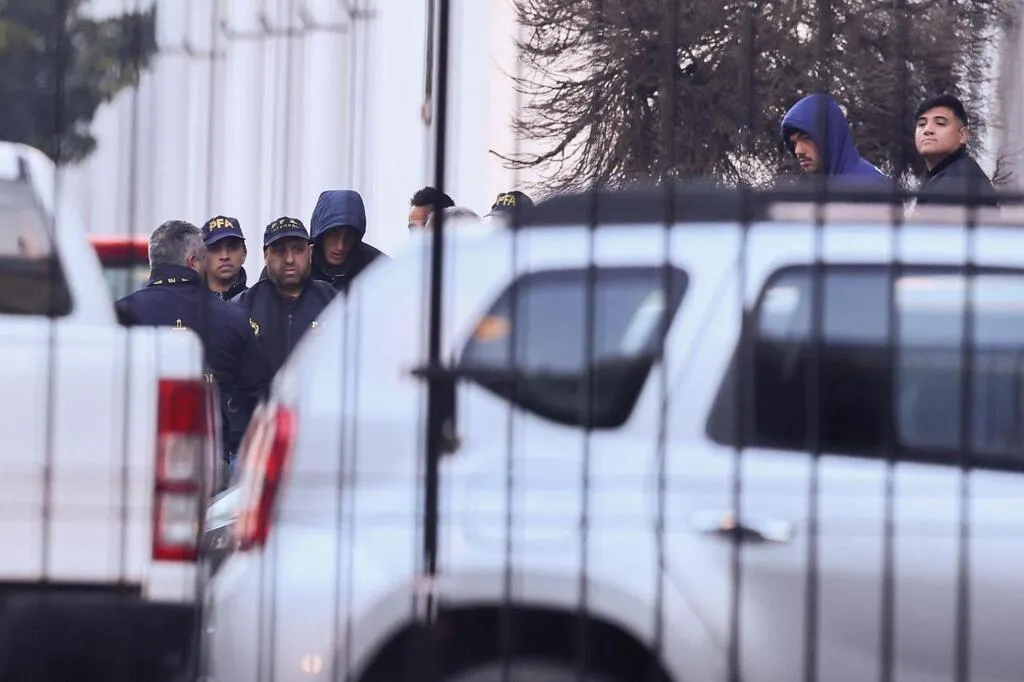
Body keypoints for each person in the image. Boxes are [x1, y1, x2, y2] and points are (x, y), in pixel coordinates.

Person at [114, 220, 270, 465]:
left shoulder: (120, 315)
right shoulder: (233, 318)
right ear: (193, 262)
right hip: (209, 457)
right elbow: (256, 397)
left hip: (134, 454)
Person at [232, 216, 337, 377]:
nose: (289, 259)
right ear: (266, 256)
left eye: (298, 250)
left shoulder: (333, 303)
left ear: (310, 253)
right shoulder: (242, 307)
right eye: (280, 251)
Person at [780, 93, 888, 184]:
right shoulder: (822, 188)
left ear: (830, 136)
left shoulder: (869, 186)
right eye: (794, 143)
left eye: (806, 138)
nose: (798, 151)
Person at [913, 94, 997, 206]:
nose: (927, 130)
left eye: (940, 123)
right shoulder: (944, 174)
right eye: (921, 124)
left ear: (962, 135)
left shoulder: (958, 184)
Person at [309, 189, 385, 293]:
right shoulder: (299, 260)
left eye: (349, 236)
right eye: (333, 235)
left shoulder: (377, 266)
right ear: (321, 235)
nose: (341, 246)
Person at [202, 215, 249, 300]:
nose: (225, 256)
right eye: (215, 248)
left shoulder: (257, 302)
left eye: (232, 247)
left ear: (244, 253)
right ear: (202, 256)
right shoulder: (187, 302)